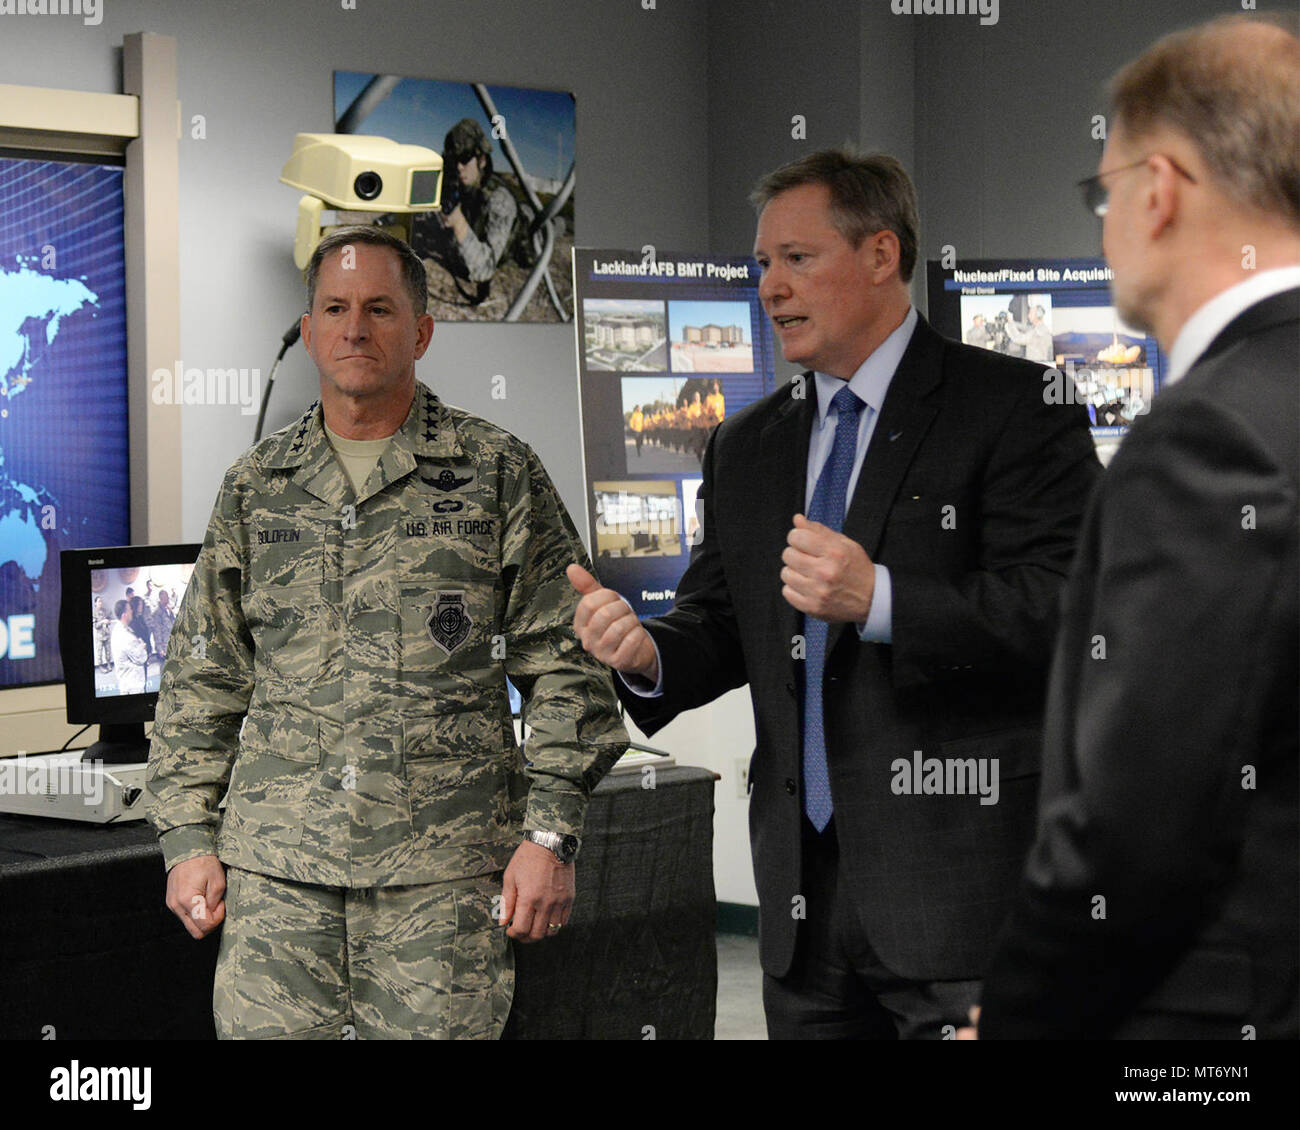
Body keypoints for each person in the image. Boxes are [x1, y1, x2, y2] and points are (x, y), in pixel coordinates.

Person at [569, 148, 1101, 1039]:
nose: (771, 287)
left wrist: (883, 598)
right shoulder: (747, 446)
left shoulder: (1015, 407)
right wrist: (647, 652)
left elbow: (1069, 611)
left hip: (965, 905)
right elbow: (726, 622)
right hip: (801, 908)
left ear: (882, 255)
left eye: (798, 259)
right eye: (764, 264)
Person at [146, 225, 628, 1039]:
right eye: (334, 308)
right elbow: (205, 675)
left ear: (422, 331)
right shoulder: (257, 487)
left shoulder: (497, 472)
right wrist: (186, 836)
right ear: (307, 331)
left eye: (379, 308)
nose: (354, 329)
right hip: (278, 884)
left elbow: (567, 666)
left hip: (440, 886)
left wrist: (551, 834)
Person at [968, 13, 1299, 1040]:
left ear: (1156, 191)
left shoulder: (1208, 434)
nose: (1103, 218)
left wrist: (1018, 1021)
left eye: (1101, 189)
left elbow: (1134, 831)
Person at [408, 118, 519, 307]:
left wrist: (458, 223)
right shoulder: (458, 185)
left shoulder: (500, 200)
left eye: (465, 158)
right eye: (454, 160)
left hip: (521, 243)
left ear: (482, 160)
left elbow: (485, 270)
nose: (459, 166)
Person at [110, 598, 148, 695]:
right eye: (129, 609)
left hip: (126, 681)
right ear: (124, 615)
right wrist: (142, 647)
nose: (132, 611)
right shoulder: (126, 636)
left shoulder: (117, 629)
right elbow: (142, 658)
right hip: (133, 684)